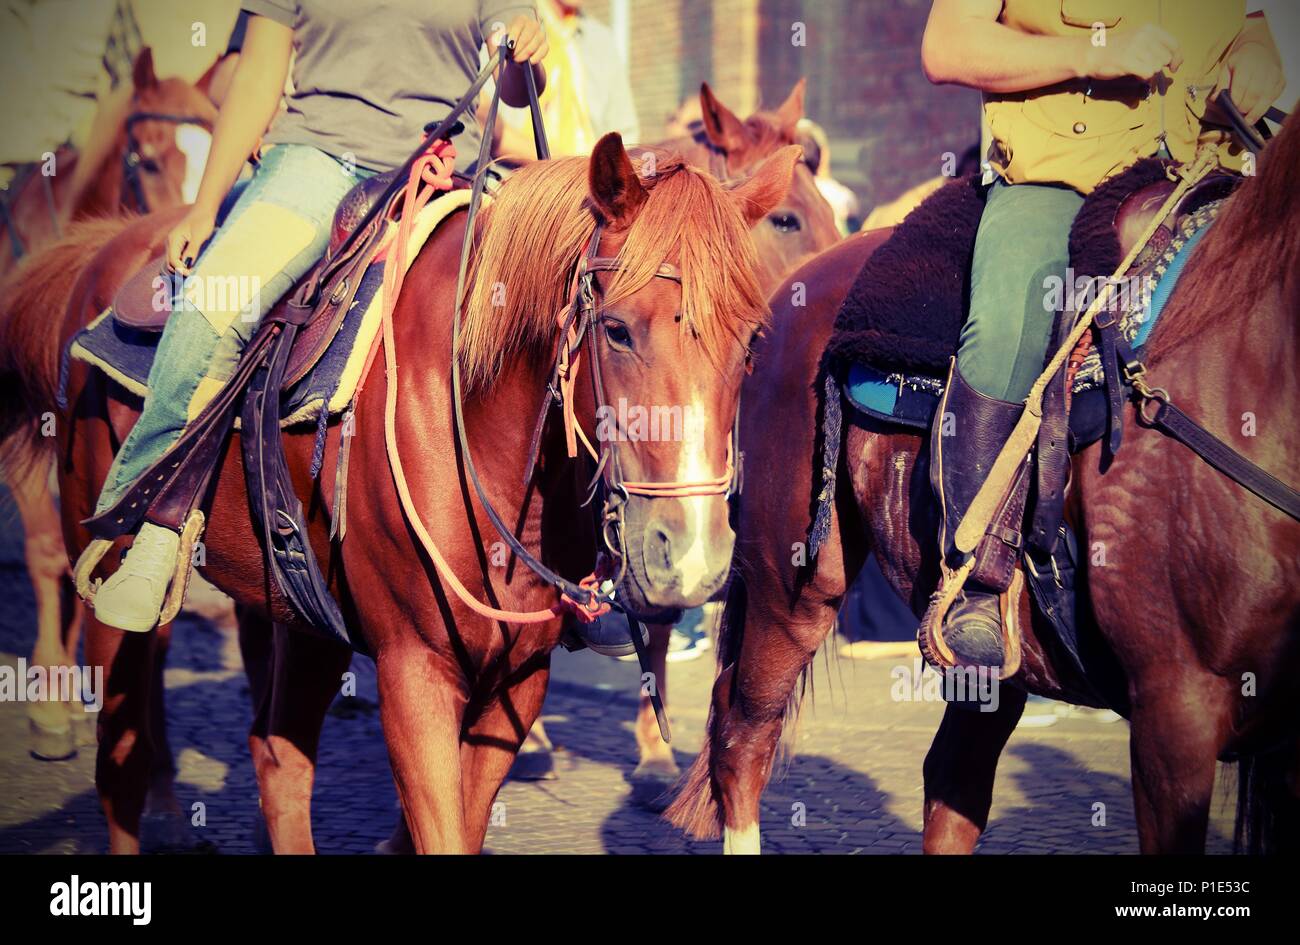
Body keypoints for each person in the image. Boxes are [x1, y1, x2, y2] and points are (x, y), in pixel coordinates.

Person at [89, 1, 548, 633]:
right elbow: (257, 76)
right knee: (211, 307)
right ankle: (156, 525)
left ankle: (586, 567)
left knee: (560, 301)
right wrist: (206, 203)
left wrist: (524, 48)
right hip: (318, 163)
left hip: (448, 168)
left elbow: (518, 86)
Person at [919, 0, 1285, 668]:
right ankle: (975, 573)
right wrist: (1092, 54)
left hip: (1202, 174)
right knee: (1011, 319)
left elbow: (1250, 25)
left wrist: (1256, 61)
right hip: (1065, 179)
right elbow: (947, 46)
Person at [493, 0, 638, 158]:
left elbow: (625, 135)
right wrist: (566, 168)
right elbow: (484, 124)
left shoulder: (603, 41)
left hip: (588, 177)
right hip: (517, 176)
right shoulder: (503, 23)